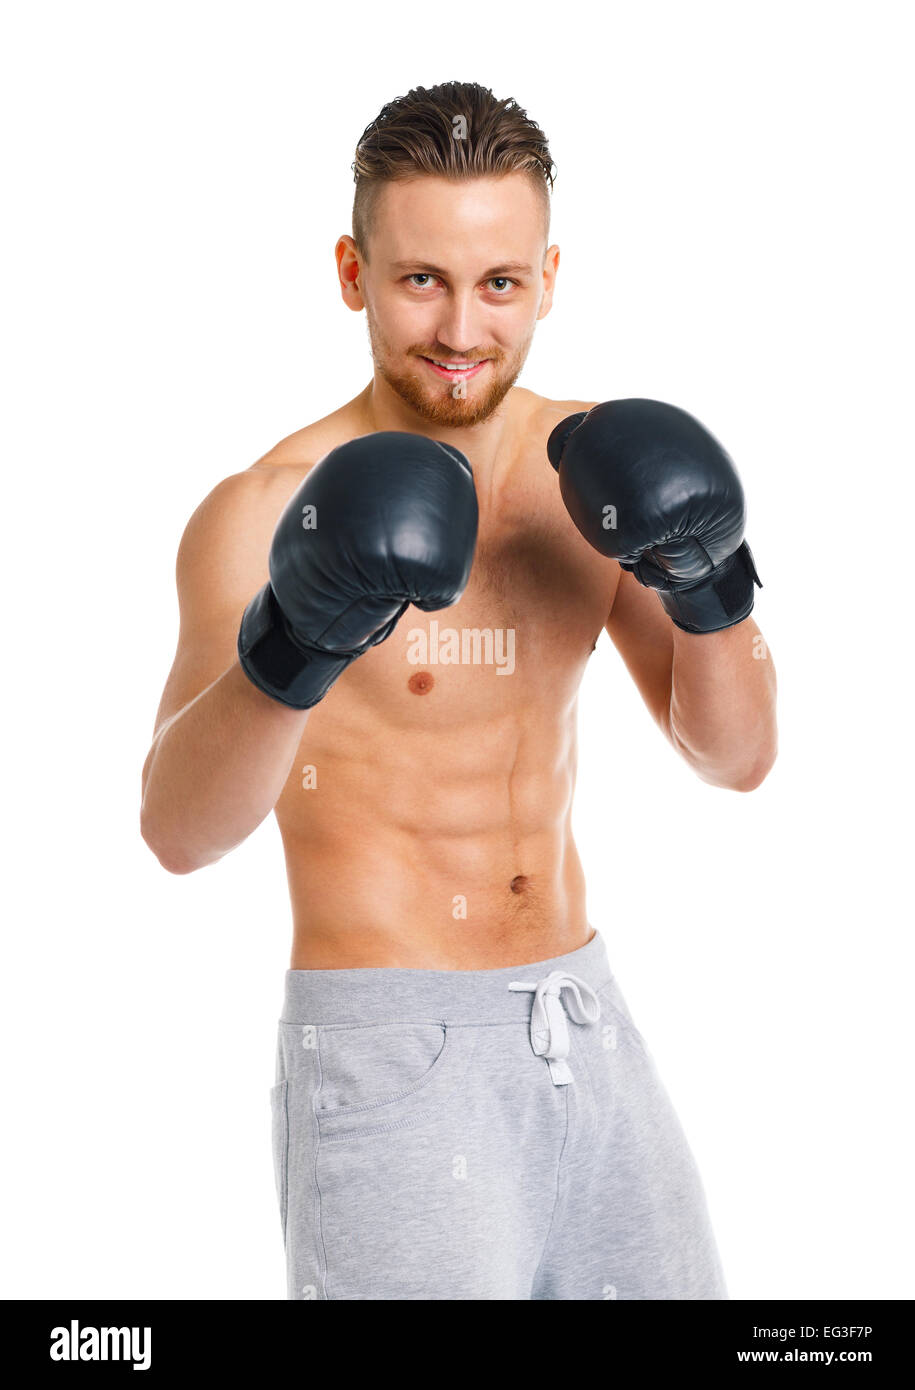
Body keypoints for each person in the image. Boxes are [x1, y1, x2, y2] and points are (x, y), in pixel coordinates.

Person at [140, 80, 777, 1301]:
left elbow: (735, 755)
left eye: (497, 284)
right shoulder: (269, 510)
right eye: (419, 278)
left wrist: (712, 586)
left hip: (585, 1026)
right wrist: (299, 638)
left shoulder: (594, 476)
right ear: (351, 271)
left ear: (546, 276)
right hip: (390, 1050)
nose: (460, 328)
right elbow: (177, 830)